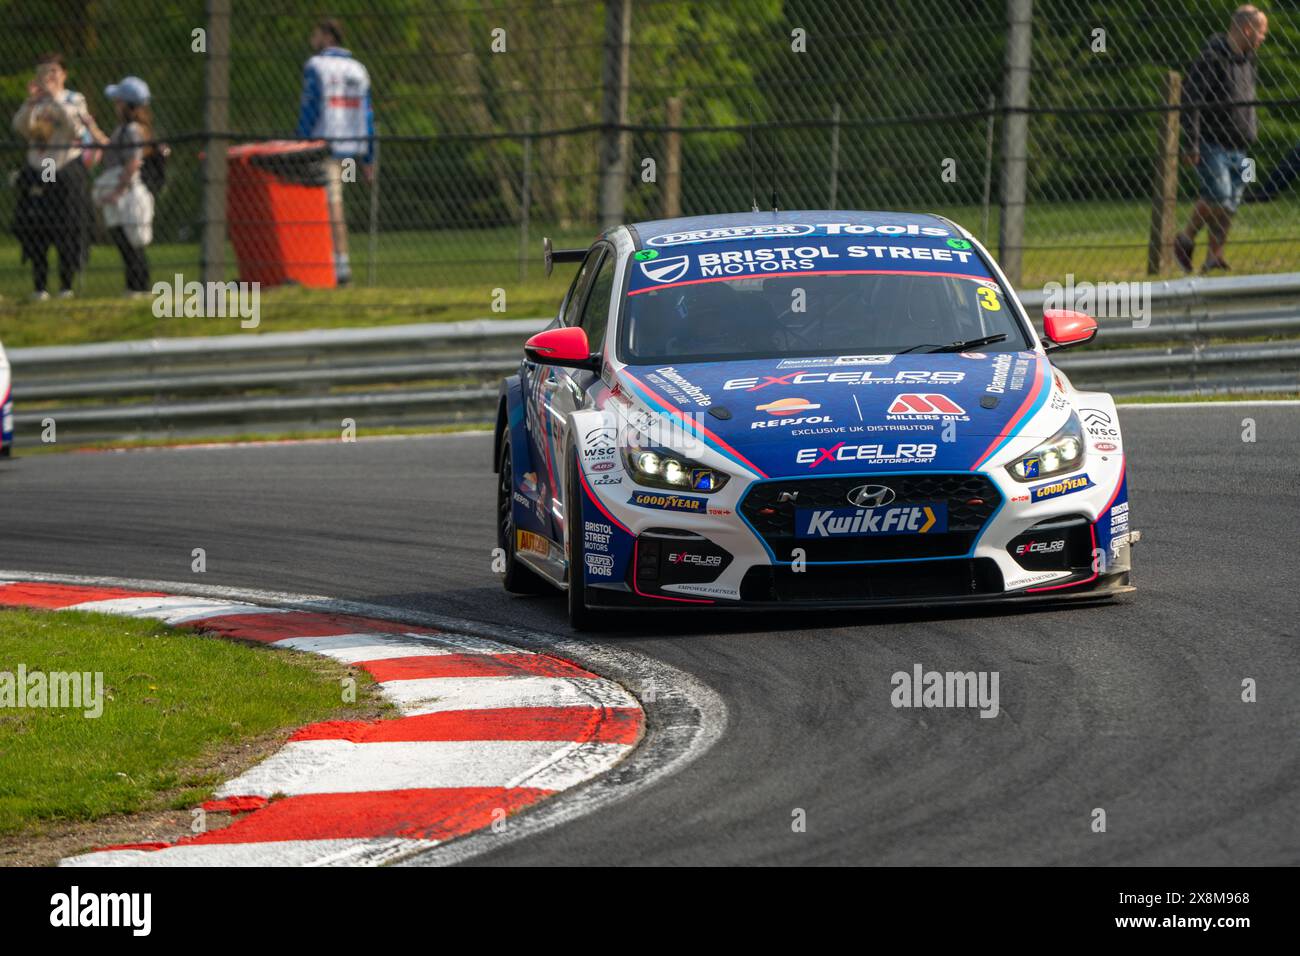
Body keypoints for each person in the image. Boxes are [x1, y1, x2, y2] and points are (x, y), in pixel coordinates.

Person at [1175, 5, 1269, 274]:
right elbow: (1190, 101)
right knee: (1218, 196)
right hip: (1211, 143)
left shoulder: (1249, 60)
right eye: (1262, 32)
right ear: (1248, 29)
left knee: (1231, 203)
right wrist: (1191, 143)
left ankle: (1214, 256)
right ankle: (1185, 238)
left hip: (1242, 147)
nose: (1263, 38)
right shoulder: (1211, 59)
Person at [10, 52, 106, 301]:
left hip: (62, 168)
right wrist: (31, 103)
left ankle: (66, 286)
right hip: (40, 167)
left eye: (53, 71)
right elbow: (20, 128)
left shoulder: (74, 99)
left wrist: (55, 99)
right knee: (36, 227)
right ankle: (39, 286)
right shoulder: (36, 101)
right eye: (43, 71)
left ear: (63, 74)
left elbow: (76, 129)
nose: (48, 76)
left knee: (66, 227)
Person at [296, 17, 374, 287]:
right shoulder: (358, 69)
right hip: (351, 149)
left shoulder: (317, 66)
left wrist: (300, 144)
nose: (311, 40)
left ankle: (339, 267)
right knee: (333, 203)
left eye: (315, 34)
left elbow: (310, 108)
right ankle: (333, 263)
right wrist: (368, 158)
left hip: (323, 147)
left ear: (327, 37)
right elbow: (367, 115)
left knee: (330, 205)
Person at [94, 77, 155, 296]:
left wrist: (117, 192)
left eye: (118, 101)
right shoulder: (124, 129)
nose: (115, 106)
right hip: (122, 190)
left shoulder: (131, 130)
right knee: (125, 243)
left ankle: (139, 288)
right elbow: (109, 147)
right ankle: (133, 287)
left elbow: (133, 162)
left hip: (127, 193)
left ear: (126, 104)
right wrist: (90, 126)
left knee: (132, 245)